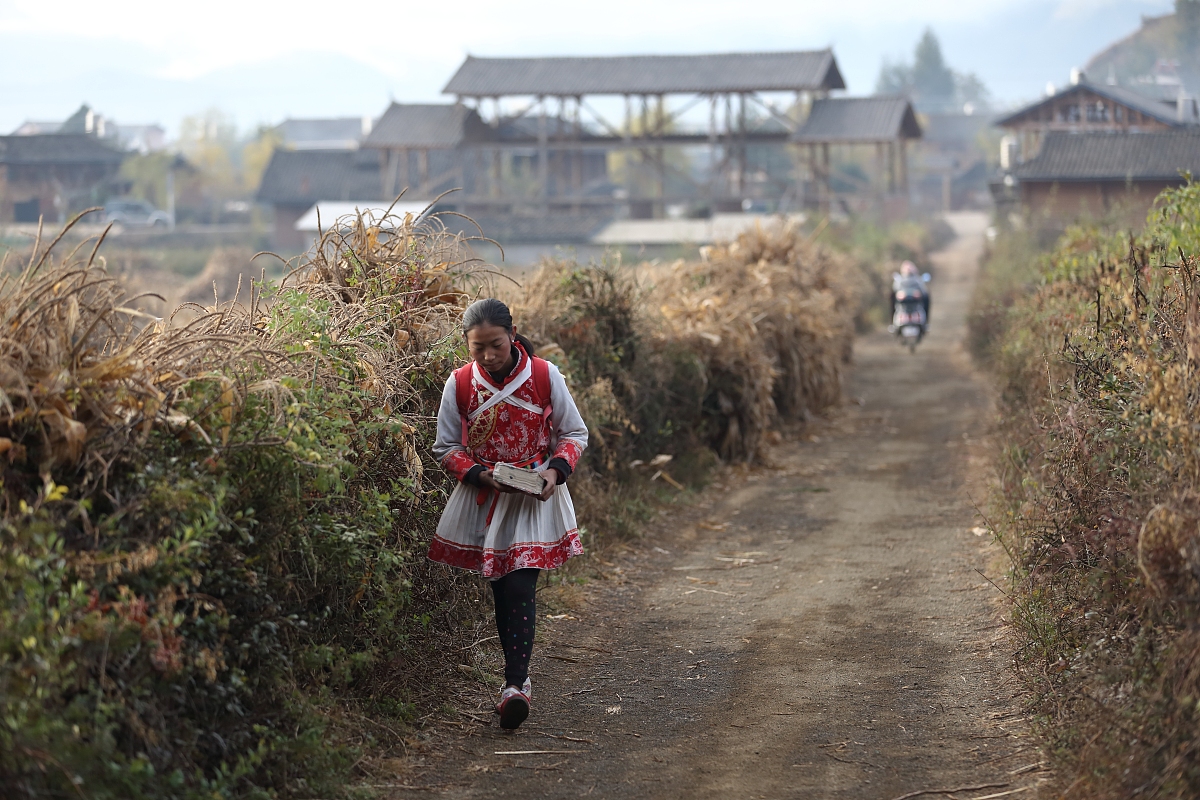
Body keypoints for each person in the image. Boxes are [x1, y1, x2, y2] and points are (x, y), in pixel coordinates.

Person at [431, 298, 589, 731]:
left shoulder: (543, 375)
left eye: (496, 345)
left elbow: (573, 433)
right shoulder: (460, 384)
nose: (488, 355)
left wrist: (555, 472)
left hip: (535, 496)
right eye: (478, 347)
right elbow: (447, 447)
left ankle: (516, 685)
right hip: (488, 496)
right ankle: (513, 685)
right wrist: (481, 475)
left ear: (513, 335)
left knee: (519, 585)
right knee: (502, 589)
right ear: (467, 344)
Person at [891, 260, 931, 325]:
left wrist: (919, 294)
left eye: (910, 267)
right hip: (902, 307)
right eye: (906, 267)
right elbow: (895, 290)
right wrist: (899, 294)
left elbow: (923, 291)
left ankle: (925, 322)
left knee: (926, 297)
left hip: (916, 306)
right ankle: (893, 322)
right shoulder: (899, 280)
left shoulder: (918, 280)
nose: (908, 269)